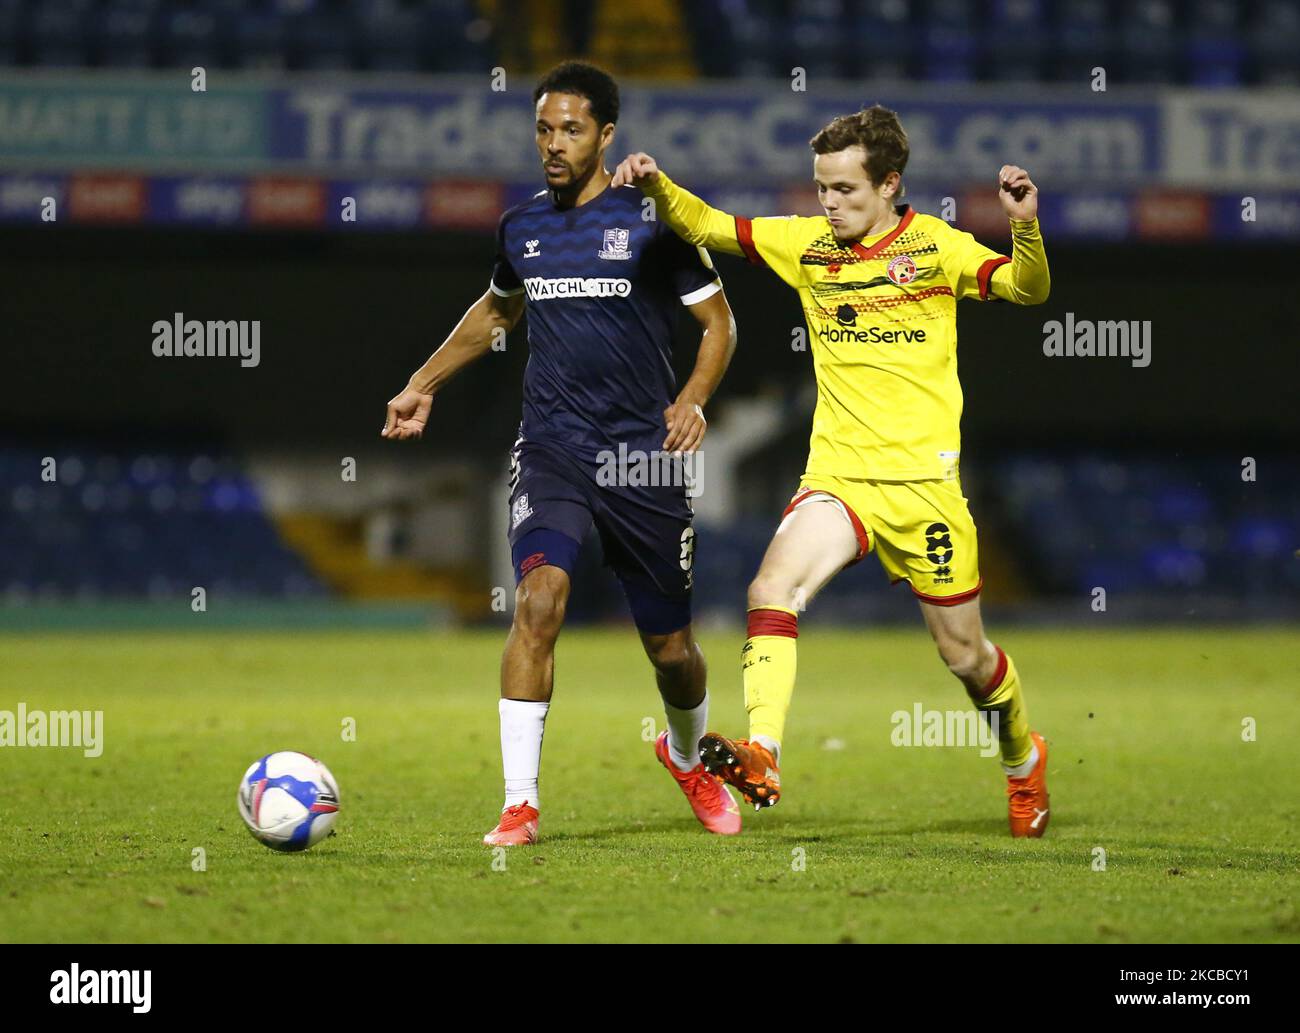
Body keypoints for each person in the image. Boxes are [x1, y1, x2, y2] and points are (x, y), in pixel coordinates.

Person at [612, 103, 1053, 837]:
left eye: (846, 190)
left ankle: (1021, 760)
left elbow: (1026, 289)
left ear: (889, 185)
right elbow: (715, 226)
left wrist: (1026, 227)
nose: (830, 203)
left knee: (967, 658)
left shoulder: (936, 249)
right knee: (770, 586)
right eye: (822, 188)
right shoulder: (808, 246)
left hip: (925, 491)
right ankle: (764, 751)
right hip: (840, 479)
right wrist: (658, 187)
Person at [384, 62, 741, 845]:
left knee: (673, 650)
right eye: (544, 128)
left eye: (571, 129)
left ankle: (686, 756)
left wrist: (692, 400)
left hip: (643, 458)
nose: (553, 143)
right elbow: (497, 311)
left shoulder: (653, 221)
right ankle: (521, 802)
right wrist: (424, 382)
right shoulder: (522, 228)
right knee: (539, 599)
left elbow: (720, 325)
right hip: (553, 446)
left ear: (606, 135)